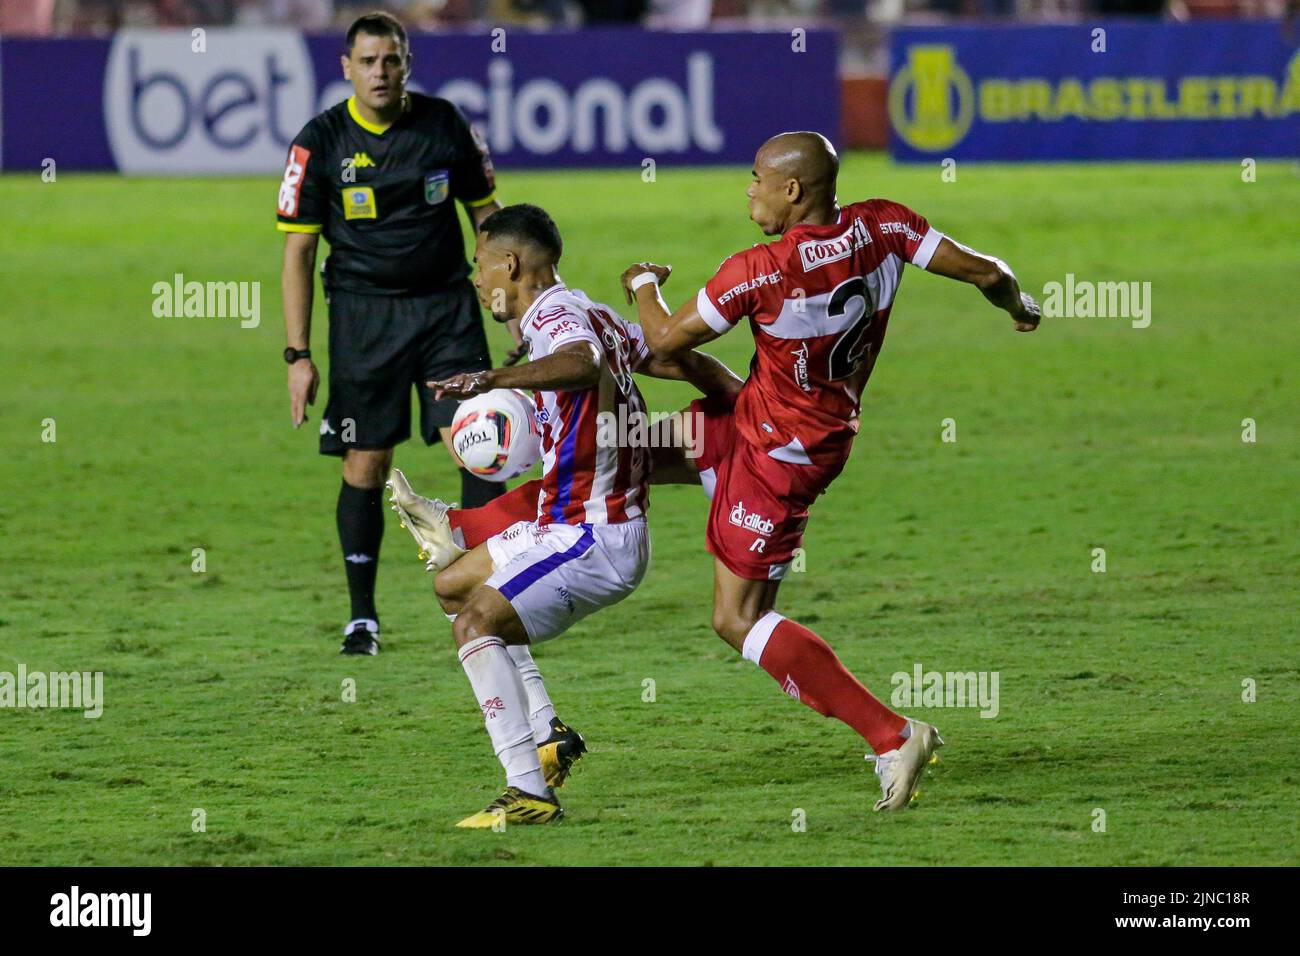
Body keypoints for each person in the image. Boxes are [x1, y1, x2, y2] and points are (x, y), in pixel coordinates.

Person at [618, 131, 1042, 811]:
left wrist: (641, 285)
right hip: (780, 422)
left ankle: (893, 734)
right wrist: (1019, 307)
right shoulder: (885, 223)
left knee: (738, 618)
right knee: (621, 456)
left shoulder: (760, 268)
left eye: (757, 177)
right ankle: (467, 534)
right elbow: (989, 273)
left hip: (779, 459)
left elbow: (664, 336)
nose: (748, 188)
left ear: (792, 190)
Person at [387, 204, 742, 827]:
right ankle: (548, 732)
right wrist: (741, 399)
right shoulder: (592, 313)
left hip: (593, 539)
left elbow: (583, 364)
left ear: (511, 263)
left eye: (480, 264)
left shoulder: (558, 320)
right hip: (564, 523)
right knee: (451, 587)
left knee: (474, 624)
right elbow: (670, 359)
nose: (476, 279)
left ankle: (529, 791)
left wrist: (492, 378)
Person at [277, 12, 515, 655]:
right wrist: (298, 354)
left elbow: (487, 218)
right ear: (346, 68)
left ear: (406, 63)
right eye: (369, 61)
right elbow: (297, 254)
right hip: (363, 320)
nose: (381, 72)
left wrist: (513, 301)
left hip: (445, 311)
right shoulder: (318, 142)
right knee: (366, 461)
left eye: (391, 60)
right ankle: (362, 617)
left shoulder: (445, 126)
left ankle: (482, 596)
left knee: (479, 446)